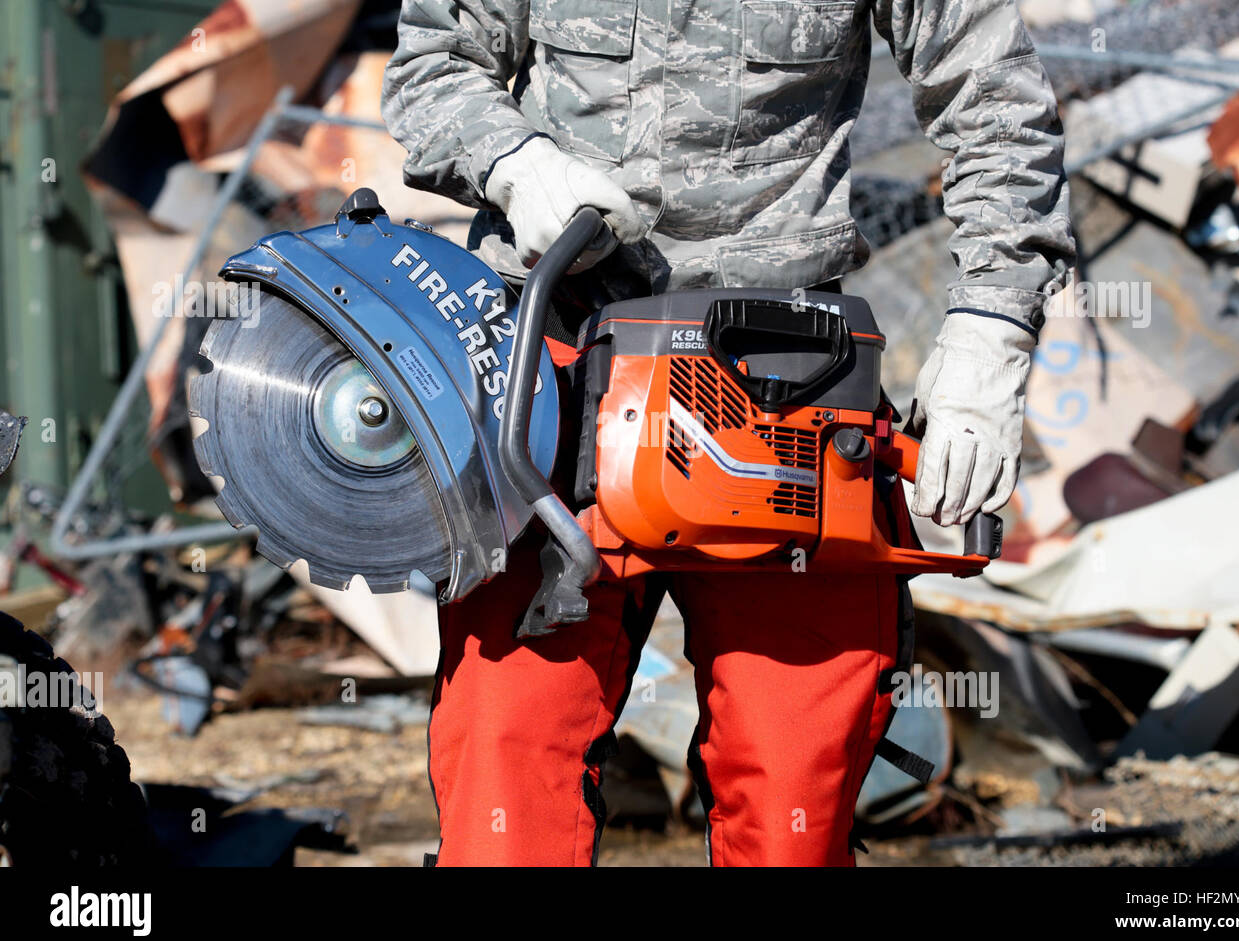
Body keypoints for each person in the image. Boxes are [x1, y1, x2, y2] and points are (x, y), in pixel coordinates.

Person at [382, 0, 1075, 866]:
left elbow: (996, 101)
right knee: (507, 788)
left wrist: (992, 327)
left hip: (784, 397)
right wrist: (516, 161)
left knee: (793, 805)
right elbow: (431, 66)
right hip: (551, 389)